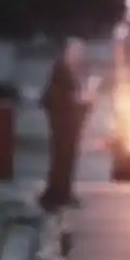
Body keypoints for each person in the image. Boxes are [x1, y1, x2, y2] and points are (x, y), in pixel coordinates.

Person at [39, 37, 95, 209]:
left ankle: (63, 192)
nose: (79, 56)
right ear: (68, 52)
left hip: (70, 121)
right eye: (76, 52)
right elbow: (57, 97)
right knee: (61, 158)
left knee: (68, 158)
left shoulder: (72, 70)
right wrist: (79, 100)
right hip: (62, 121)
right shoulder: (61, 71)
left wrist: (85, 101)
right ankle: (55, 194)